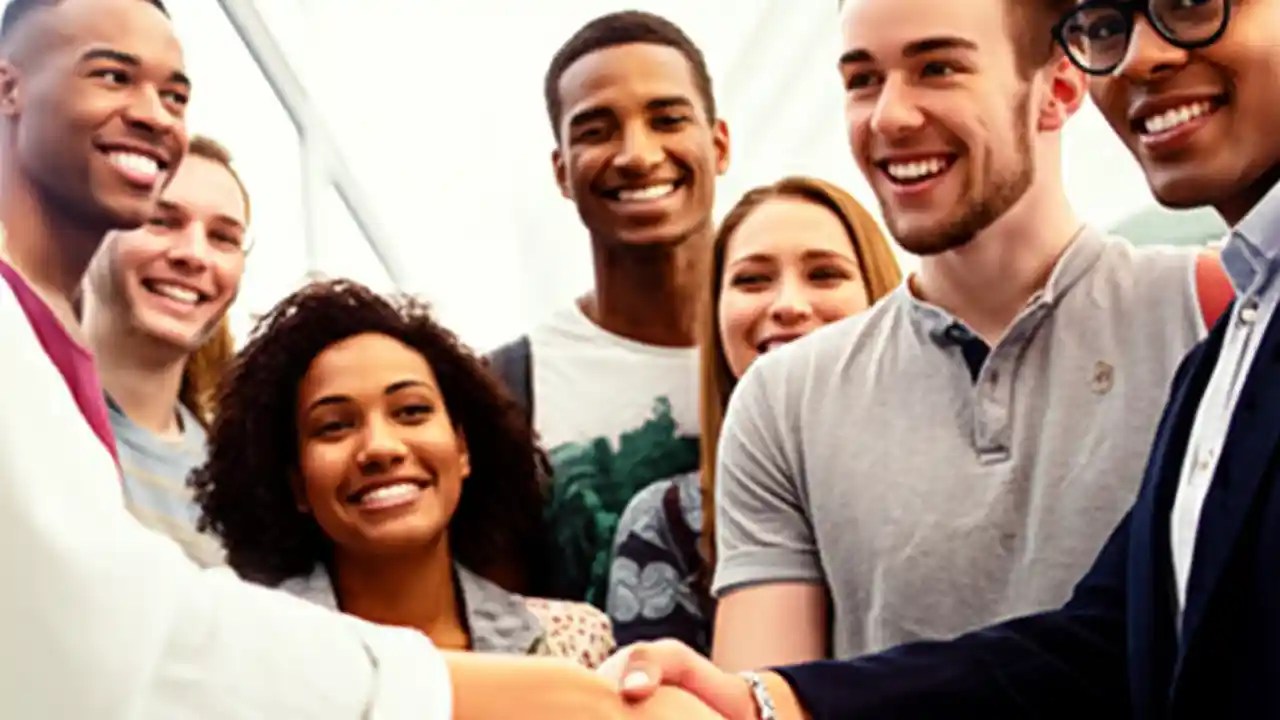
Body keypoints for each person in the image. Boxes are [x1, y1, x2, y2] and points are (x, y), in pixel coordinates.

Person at [0, 0, 721, 717]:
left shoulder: (565, 640)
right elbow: (145, 640)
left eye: (175, 93)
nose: (152, 113)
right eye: (110, 75)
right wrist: (562, 699)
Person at [605, 0, 1280, 716]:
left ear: (1057, 89)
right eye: (862, 79)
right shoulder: (782, 401)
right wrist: (765, 700)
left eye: (939, 67)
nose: (891, 116)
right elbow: (1104, 640)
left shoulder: (1214, 310)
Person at [194, 279, 616, 666]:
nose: (380, 447)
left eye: (411, 411)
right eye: (335, 426)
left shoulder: (570, 646)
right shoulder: (238, 652)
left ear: (463, 448)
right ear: (296, 484)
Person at [488, 10, 732, 609]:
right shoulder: (506, 388)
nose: (637, 154)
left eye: (667, 119)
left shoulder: (807, 343)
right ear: (561, 172)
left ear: (718, 144)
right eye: (596, 130)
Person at [606, 176, 901, 653]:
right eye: (752, 280)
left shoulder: (954, 485)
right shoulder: (665, 523)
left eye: (825, 274)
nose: (787, 305)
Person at [80, 134, 250, 567]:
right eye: (161, 219)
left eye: (224, 238)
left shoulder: (237, 483)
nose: (194, 255)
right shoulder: (25, 409)